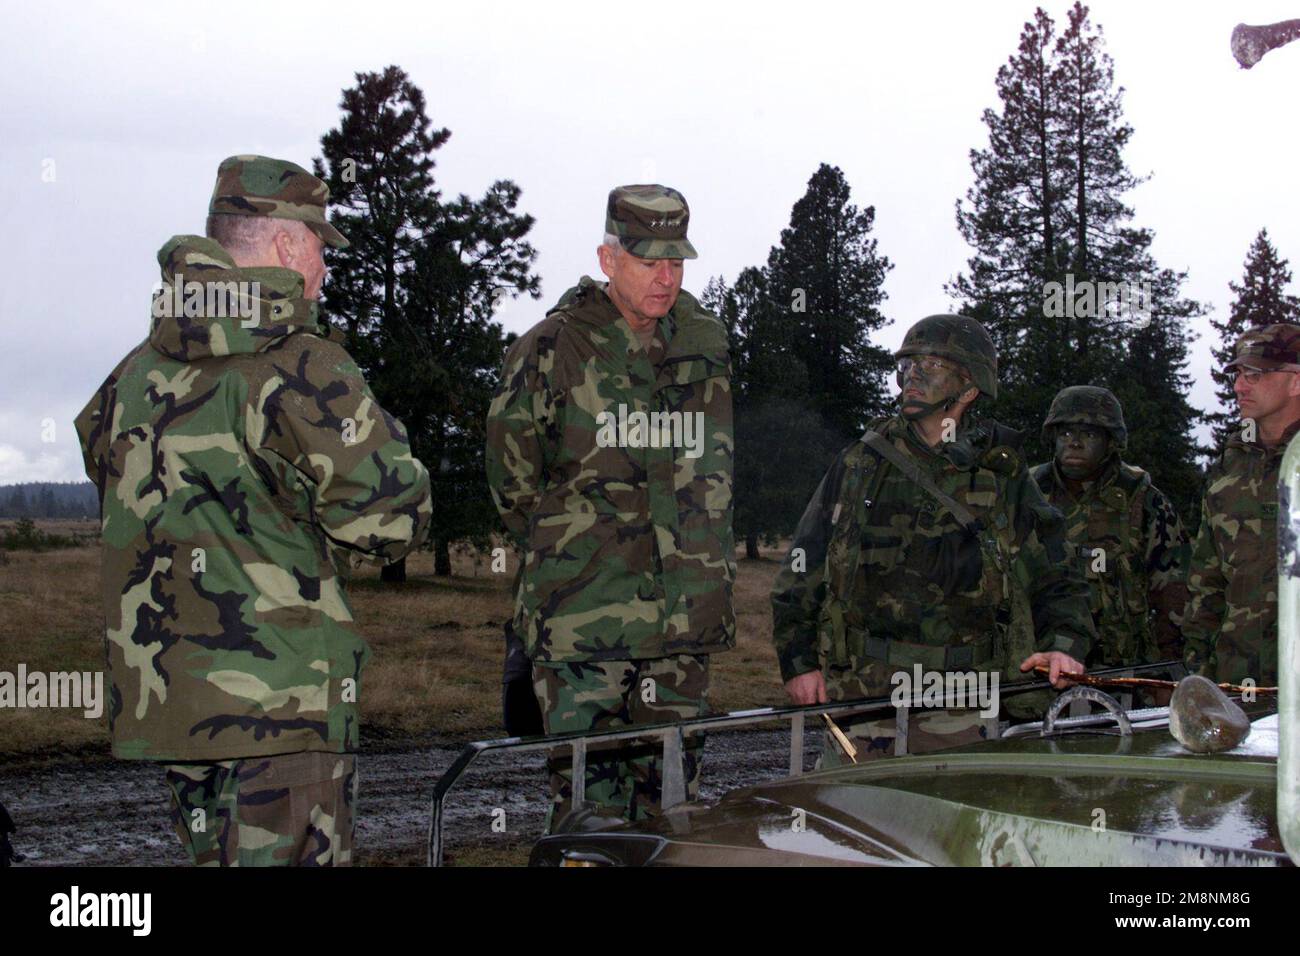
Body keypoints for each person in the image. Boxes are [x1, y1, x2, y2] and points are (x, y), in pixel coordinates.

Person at [74, 154, 431, 866]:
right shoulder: (304, 367)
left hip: (181, 714)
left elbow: (106, 469)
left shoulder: (133, 374)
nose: (325, 270)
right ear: (288, 245)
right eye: (322, 250)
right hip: (283, 715)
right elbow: (391, 520)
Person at [485, 184, 734, 827]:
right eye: (650, 261)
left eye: (676, 262)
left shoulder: (703, 351)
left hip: (681, 627)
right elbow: (513, 487)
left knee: (675, 811)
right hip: (583, 627)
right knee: (588, 816)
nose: (666, 277)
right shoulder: (551, 350)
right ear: (607, 258)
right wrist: (583, 549)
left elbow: (714, 477)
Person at [771, 314, 1094, 763]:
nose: (914, 375)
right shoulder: (861, 463)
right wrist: (799, 661)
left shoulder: (1001, 475)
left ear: (970, 387)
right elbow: (803, 564)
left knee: (953, 825)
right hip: (864, 695)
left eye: (932, 365)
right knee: (851, 824)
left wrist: (1064, 646)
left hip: (962, 699)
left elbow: (1056, 572)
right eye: (909, 364)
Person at [1031, 386, 1189, 670]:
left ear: (1110, 442)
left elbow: (1174, 594)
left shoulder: (1144, 500)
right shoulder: (1026, 494)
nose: (1074, 443)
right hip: (1041, 667)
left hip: (1123, 671)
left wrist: (1168, 668)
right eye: (1065, 433)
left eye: (1088, 434)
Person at [1184, 323, 1300, 687]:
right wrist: (1200, 674)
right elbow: (1206, 582)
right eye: (1237, 375)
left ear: (1295, 381)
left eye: (1255, 374)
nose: (1238, 386)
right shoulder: (1231, 464)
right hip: (1236, 686)